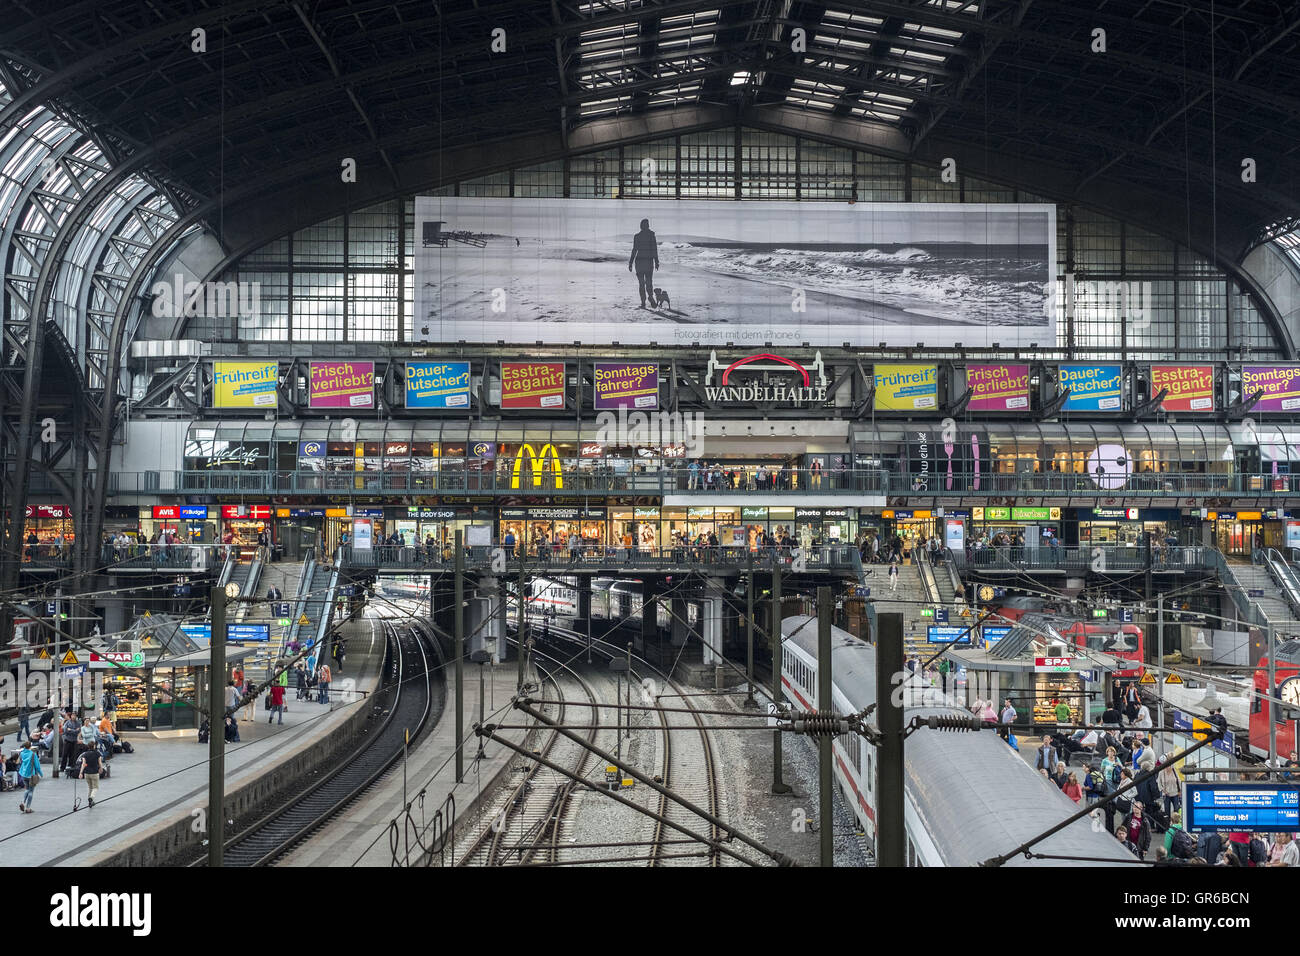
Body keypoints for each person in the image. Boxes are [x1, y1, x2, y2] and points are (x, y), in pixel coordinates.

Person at [627, 218, 660, 309]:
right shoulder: (651, 235)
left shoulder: (637, 236)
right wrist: (656, 261)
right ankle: (650, 297)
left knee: (641, 283)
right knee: (649, 281)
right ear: (647, 225)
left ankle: (643, 302)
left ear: (641, 226)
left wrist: (630, 262)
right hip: (648, 262)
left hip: (639, 262)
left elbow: (634, 250)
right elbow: (654, 249)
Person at [16, 740, 41, 812]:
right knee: (31, 791)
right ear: (30, 746)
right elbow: (37, 766)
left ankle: (23, 802)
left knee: (27, 789)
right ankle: (28, 808)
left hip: (24, 774)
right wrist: (40, 773)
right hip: (31, 775)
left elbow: (19, 762)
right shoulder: (33, 754)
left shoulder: (22, 753)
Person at [76, 744, 103, 809]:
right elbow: (100, 762)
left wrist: (80, 773)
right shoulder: (97, 753)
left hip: (87, 773)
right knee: (95, 787)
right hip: (95, 773)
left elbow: (83, 764)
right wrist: (101, 768)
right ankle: (91, 798)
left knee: (90, 788)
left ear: (88, 746)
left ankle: (90, 802)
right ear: (94, 746)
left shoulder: (85, 754)